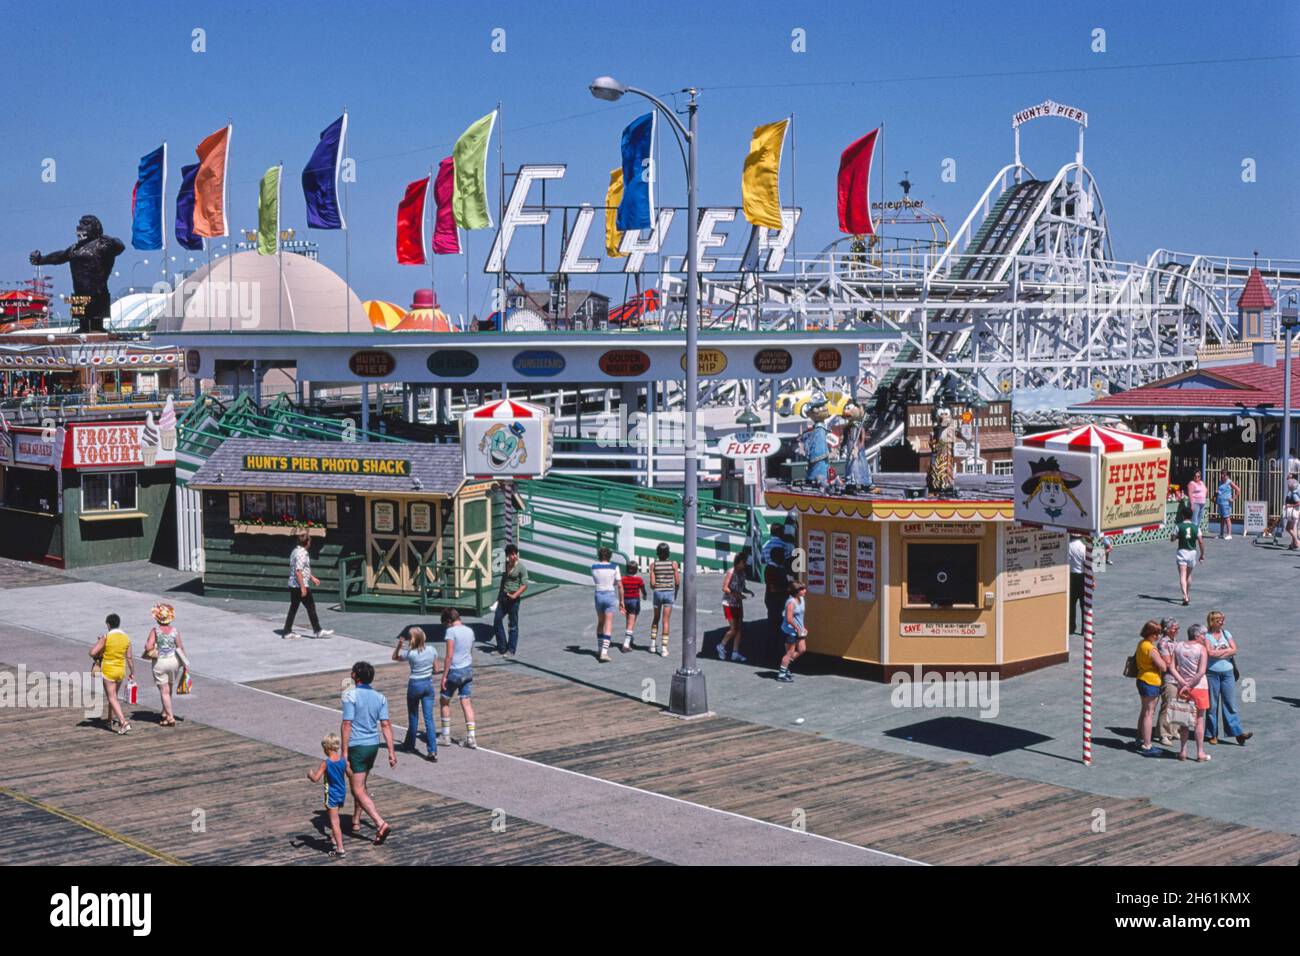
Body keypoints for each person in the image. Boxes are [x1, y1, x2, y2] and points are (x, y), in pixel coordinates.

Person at [340, 661, 395, 845]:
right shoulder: (380, 697)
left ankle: (380, 823)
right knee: (361, 784)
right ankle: (355, 821)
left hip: (357, 746)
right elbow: (386, 725)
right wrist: (391, 752)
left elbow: (347, 723)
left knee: (357, 788)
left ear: (356, 676)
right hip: (373, 745)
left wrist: (344, 752)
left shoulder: (350, 695)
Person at [1203, 610, 1252, 746]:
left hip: (1228, 673)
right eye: (1219, 620)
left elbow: (1234, 649)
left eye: (1222, 619)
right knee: (1212, 705)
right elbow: (1209, 653)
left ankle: (1237, 733)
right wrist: (1226, 652)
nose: (1222, 622)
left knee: (1230, 704)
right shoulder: (1206, 636)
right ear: (1212, 622)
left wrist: (1218, 653)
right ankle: (1212, 734)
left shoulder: (1226, 633)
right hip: (1212, 673)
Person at [392, 627, 440, 761]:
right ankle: (432, 751)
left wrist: (399, 646)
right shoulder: (432, 650)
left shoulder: (410, 653)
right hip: (428, 685)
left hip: (415, 684)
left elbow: (394, 657)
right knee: (429, 719)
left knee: (413, 717)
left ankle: (409, 745)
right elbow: (436, 670)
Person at [143, 602, 188, 727]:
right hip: (174, 661)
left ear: (157, 618)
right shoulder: (175, 631)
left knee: (164, 691)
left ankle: (170, 717)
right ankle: (165, 714)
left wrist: (153, 647)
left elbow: (148, 647)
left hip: (160, 662)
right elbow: (180, 647)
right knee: (169, 688)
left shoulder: (155, 631)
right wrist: (185, 663)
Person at [307, 732, 352, 857]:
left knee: (334, 821)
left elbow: (316, 778)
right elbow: (350, 774)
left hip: (331, 794)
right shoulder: (343, 761)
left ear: (326, 748)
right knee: (335, 817)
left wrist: (310, 774)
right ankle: (333, 838)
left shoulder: (326, 763)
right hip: (341, 793)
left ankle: (340, 849)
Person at [1171, 624, 1211, 762]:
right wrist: (1189, 685)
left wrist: (1183, 683)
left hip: (1182, 688)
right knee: (1199, 720)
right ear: (1197, 635)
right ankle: (1200, 753)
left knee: (1183, 721)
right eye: (1203, 635)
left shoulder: (1178, 646)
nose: (1205, 637)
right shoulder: (1201, 649)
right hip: (1199, 687)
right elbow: (1201, 672)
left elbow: (1172, 667)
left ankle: (1183, 751)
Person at [439, 608, 478, 749]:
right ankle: (471, 738)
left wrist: (444, 676)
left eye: (445, 623)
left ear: (449, 621)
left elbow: (449, 655)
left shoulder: (451, 632)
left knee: (444, 700)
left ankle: (445, 736)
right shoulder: (470, 631)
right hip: (468, 669)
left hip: (455, 670)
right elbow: (470, 651)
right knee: (466, 702)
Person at [284, 529, 333, 640]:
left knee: (294, 608)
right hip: (299, 585)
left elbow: (303, 569)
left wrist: (312, 577)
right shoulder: (302, 553)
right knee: (310, 607)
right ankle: (318, 630)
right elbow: (298, 571)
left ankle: (287, 631)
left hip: (293, 584)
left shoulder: (295, 551)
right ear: (307, 543)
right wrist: (303, 587)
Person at [89, 613, 133, 735]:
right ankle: (109, 718)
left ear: (108, 624)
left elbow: (92, 652)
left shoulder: (106, 637)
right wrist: (132, 672)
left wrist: (99, 643)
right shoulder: (126, 638)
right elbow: (129, 658)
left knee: (111, 697)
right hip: (120, 670)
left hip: (109, 669)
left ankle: (124, 723)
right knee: (114, 697)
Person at [1132, 620, 1167, 757]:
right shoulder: (1151, 649)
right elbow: (1163, 666)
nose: (1158, 636)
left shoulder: (1141, 644)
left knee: (1144, 710)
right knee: (1149, 713)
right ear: (1151, 633)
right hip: (1151, 681)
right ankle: (1147, 745)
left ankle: (1139, 738)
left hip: (1141, 678)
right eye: (1157, 634)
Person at [492, 543, 528, 657]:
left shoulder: (521, 567)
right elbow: (503, 581)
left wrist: (515, 595)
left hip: (513, 598)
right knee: (497, 621)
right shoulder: (506, 565)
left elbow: (524, 584)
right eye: (511, 554)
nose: (514, 556)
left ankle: (511, 649)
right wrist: (498, 597)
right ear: (507, 555)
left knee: (512, 625)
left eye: (515, 554)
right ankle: (501, 647)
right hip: (504, 596)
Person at [717, 553, 753, 663]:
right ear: (739, 561)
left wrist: (748, 591)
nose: (745, 564)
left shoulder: (742, 573)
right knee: (733, 629)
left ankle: (735, 652)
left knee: (739, 628)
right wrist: (735, 594)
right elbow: (725, 588)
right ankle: (721, 645)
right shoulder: (730, 572)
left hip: (738, 603)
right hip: (729, 603)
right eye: (744, 562)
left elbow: (742, 586)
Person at [591, 546, 623, 663]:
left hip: (598, 594)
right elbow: (619, 585)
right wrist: (622, 601)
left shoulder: (594, 567)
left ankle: (599, 649)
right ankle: (604, 652)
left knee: (600, 622)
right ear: (609, 556)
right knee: (608, 623)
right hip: (609, 594)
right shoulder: (614, 567)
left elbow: (596, 580)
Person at [648, 543, 680, 658]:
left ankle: (652, 645)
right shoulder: (673, 564)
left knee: (656, 618)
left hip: (657, 593)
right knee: (666, 621)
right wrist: (675, 593)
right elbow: (677, 582)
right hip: (669, 593)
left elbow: (652, 584)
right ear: (668, 553)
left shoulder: (653, 565)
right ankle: (664, 649)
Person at [1171, 503, 1206, 606]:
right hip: (1192, 552)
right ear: (1191, 516)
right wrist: (1202, 554)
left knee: (1182, 575)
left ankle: (1185, 595)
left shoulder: (1178, 526)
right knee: (1188, 575)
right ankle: (1187, 593)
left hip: (1182, 551)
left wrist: (1177, 536)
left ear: (1182, 516)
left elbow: (1172, 539)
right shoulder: (1196, 527)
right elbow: (1200, 541)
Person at [1153, 617, 1180, 745]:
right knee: (1168, 705)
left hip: (1178, 678)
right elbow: (1168, 663)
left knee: (1176, 705)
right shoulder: (1164, 643)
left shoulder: (1174, 641)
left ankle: (1173, 729)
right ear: (1167, 629)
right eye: (1175, 628)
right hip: (1169, 678)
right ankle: (1163, 733)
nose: (1177, 630)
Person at [763, 526, 792, 640]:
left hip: (770, 595)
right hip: (776, 595)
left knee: (773, 617)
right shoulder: (785, 546)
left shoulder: (766, 545)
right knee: (777, 618)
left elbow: (762, 560)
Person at [776, 581, 808, 683]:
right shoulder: (790, 603)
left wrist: (802, 627)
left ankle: (785, 666)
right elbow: (789, 618)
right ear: (796, 591)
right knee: (789, 653)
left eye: (804, 589)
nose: (804, 591)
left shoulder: (802, 599)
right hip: (790, 631)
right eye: (802, 589)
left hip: (799, 630)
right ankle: (782, 674)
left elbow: (800, 616)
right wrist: (797, 628)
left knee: (802, 649)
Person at [620, 560, 646, 652]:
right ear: (636, 570)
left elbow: (621, 589)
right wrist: (644, 595)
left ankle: (629, 638)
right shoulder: (639, 579)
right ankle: (626, 644)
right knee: (631, 622)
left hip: (626, 600)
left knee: (628, 621)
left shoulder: (623, 579)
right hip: (634, 601)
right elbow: (643, 588)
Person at [1067, 535, 1087, 634]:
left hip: (1070, 576)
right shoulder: (1083, 547)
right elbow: (1089, 565)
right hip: (1082, 577)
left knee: (1071, 604)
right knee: (1085, 605)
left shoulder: (1067, 546)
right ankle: (1085, 628)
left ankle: (1071, 627)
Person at [1214, 472, 1240, 539]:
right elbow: (1220, 491)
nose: (1222, 476)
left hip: (1226, 503)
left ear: (1227, 476)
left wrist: (1233, 499)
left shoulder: (1229, 482)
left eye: (1224, 475)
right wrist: (1216, 493)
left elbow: (1238, 489)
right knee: (1222, 518)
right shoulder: (1220, 482)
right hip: (1220, 502)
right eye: (1222, 474)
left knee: (1227, 518)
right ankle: (1221, 534)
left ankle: (1229, 534)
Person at [1283, 473, 1300, 551]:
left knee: (1289, 528)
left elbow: (1298, 502)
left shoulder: (1293, 493)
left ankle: (1296, 542)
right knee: (1293, 528)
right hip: (1294, 512)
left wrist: (1289, 506)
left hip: (1293, 512)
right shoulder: (1295, 490)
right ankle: (1293, 544)